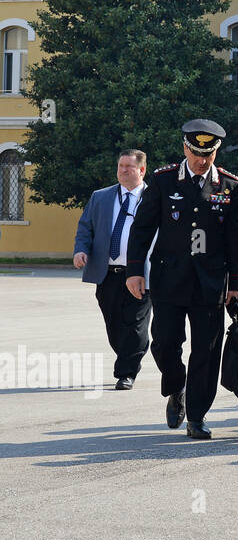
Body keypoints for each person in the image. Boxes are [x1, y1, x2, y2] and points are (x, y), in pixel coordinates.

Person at [125, 122, 238, 439]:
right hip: (169, 279)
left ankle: (197, 415)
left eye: (208, 154)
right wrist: (134, 270)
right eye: (195, 153)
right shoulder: (165, 180)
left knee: (207, 350)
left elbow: (237, 240)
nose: (201, 161)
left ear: (215, 152)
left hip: (211, 283)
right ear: (185, 149)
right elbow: (142, 228)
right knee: (165, 343)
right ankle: (176, 384)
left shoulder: (229, 186)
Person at [74, 149, 152, 391]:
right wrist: (80, 250)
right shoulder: (101, 197)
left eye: (129, 166)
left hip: (141, 273)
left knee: (136, 323)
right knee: (115, 325)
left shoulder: (154, 197)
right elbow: (86, 226)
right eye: (120, 166)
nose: (123, 170)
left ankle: (126, 372)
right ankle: (131, 353)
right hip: (108, 273)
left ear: (142, 170)